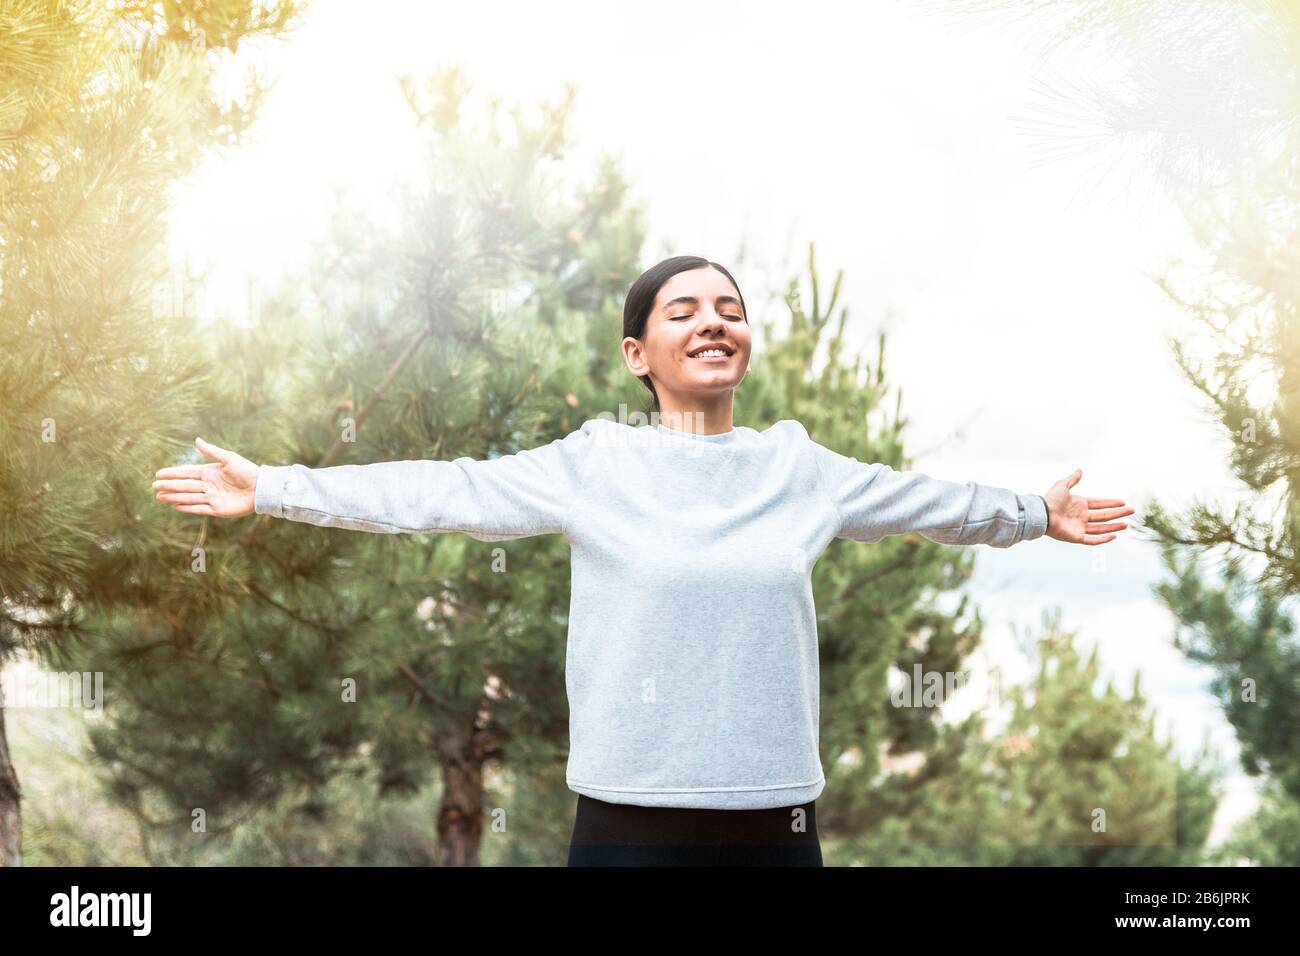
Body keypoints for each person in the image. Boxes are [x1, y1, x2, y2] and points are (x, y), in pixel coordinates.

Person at [152, 255, 1133, 867]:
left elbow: (933, 503)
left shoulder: (799, 467)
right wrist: (273, 485)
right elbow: (436, 490)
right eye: (683, 309)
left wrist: (1032, 512)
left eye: (729, 307)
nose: (713, 319)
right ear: (636, 353)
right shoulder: (595, 464)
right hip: (627, 824)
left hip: (776, 822)